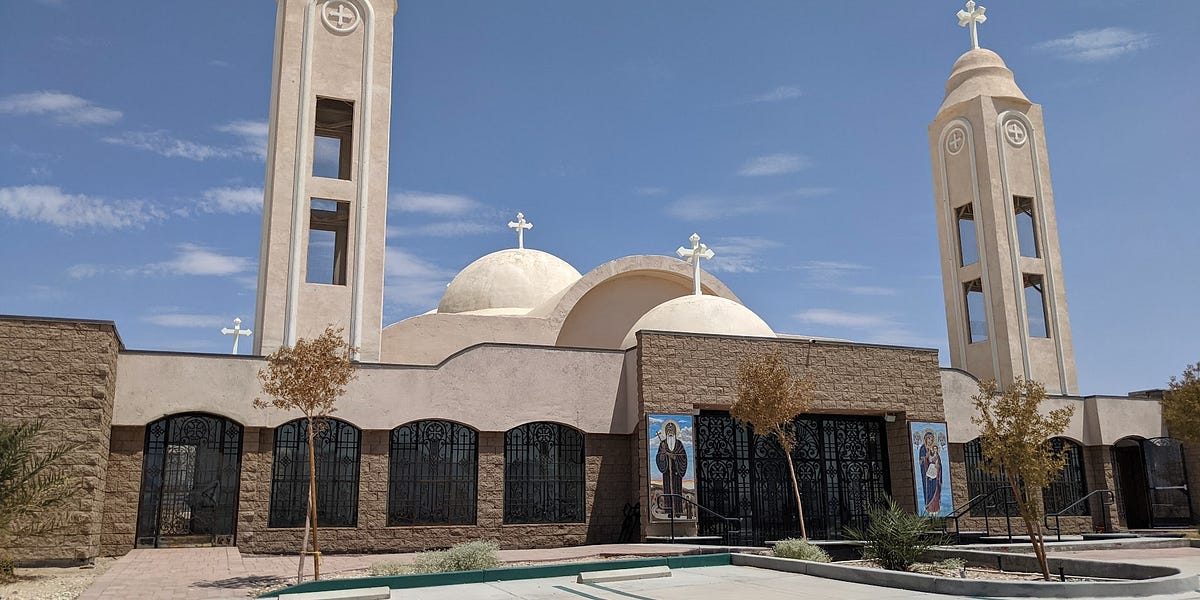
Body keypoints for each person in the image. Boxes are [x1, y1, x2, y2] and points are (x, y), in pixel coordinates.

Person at [656, 420, 688, 517]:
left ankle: (677, 512)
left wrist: (674, 457)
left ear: (674, 431)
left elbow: (683, 457)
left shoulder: (679, 444)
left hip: (676, 472)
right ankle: (669, 511)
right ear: (666, 432)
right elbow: (658, 457)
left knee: (677, 490)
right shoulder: (663, 444)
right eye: (668, 430)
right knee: (668, 490)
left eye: (672, 430)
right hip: (667, 472)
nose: (670, 432)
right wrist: (663, 454)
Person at [919, 429, 942, 515]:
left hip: (935, 474)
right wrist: (926, 458)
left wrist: (938, 465)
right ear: (925, 439)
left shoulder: (934, 450)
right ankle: (929, 507)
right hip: (927, 474)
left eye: (931, 439)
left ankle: (936, 508)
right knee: (929, 490)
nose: (930, 441)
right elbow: (921, 461)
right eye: (928, 439)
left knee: (936, 490)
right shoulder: (922, 448)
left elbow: (939, 462)